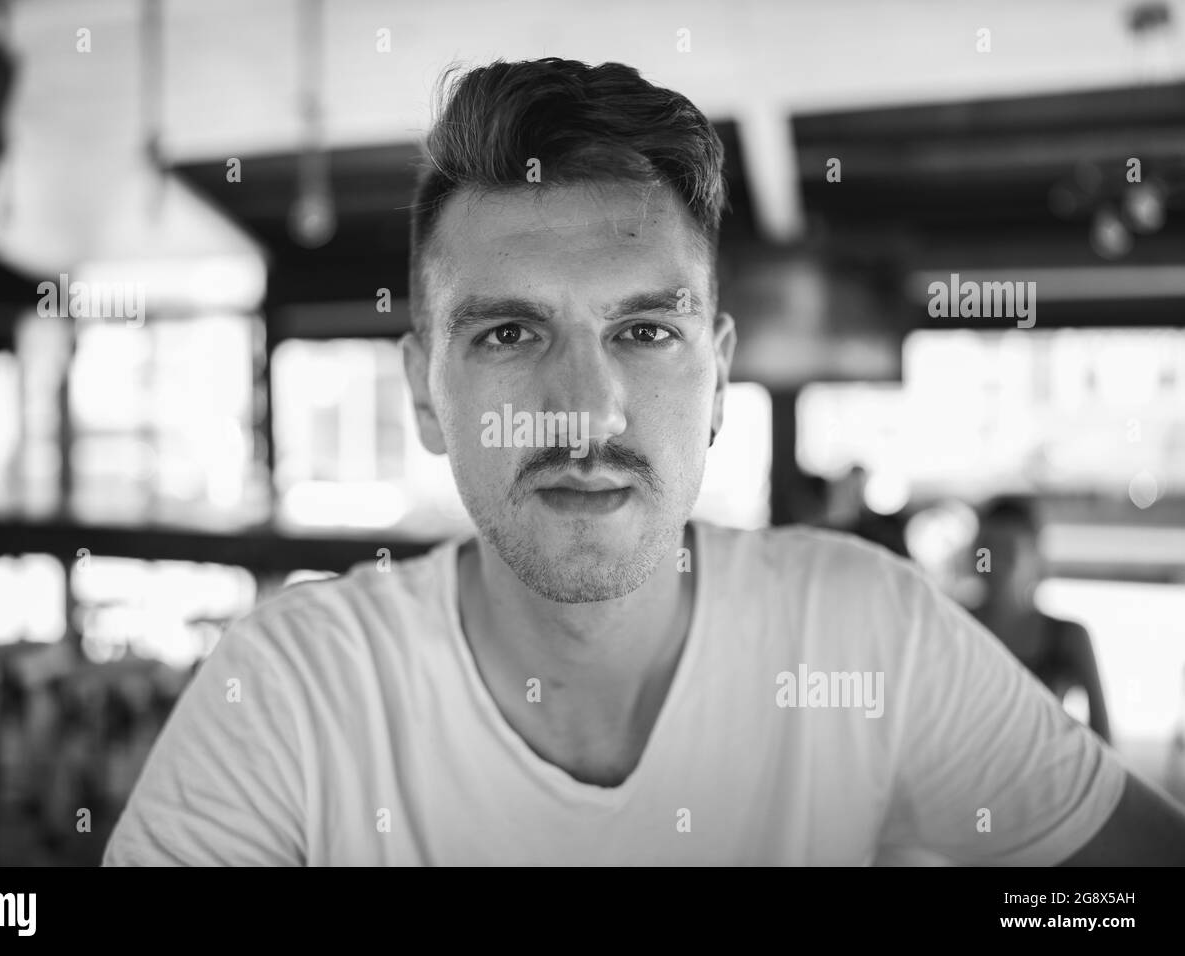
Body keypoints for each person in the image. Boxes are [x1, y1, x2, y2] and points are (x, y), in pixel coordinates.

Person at [103, 57, 1185, 865]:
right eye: (509, 333)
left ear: (715, 379)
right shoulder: (293, 696)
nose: (584, 409)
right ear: (427, 390)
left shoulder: (866, 632)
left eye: (644, 331)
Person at [971, 496, 1112, 743]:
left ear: (1035, 558)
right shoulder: (957, 624)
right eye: (986, 551)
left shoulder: (1067, 637)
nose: (993, 563)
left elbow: (1104, 741)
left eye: (1008, 552)